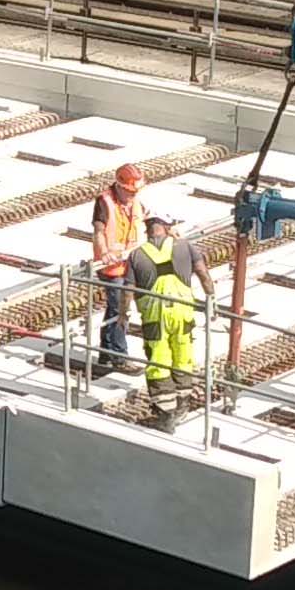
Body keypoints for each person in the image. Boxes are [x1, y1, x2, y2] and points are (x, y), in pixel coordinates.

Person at [137, 210, 205, 422]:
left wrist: (122, 315)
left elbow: (128, 290)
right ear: (168, 227)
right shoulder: (186, 247)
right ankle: (182, 406)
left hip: (155, 317)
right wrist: (211, 299)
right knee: (183, 355)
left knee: (159, 361)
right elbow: (204, 274)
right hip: (183, 314)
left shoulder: (137, 254)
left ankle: (165, 416)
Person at [88, 162, 147, 366]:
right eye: (130, 192)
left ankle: (106, 352)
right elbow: (98, 230)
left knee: (114, 309)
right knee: (121, 307)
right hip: (111, 267)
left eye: (135, 192)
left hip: (129, 263)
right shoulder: (105, 201)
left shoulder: (134, 201)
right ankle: (120, 356)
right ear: (120, 186)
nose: (133, 195)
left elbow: (145, 217)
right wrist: (104, 252)